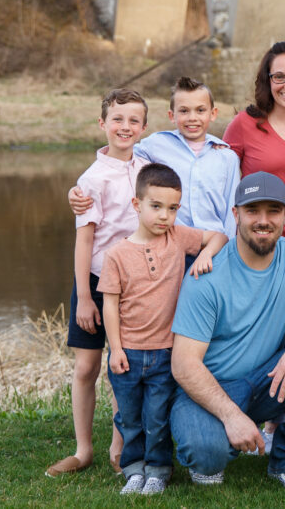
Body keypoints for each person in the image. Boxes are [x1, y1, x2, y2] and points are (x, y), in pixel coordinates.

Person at [169, 171, 285, 497]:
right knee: (208, 457)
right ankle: (211, 437)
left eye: (273, 211)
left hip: (267, 380)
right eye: (252, 211)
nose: (263, 220)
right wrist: (232, 417)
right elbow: (183, 365)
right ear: (235, 214)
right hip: (209, 388)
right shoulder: (207, 275)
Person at [98, 163, 228, 494]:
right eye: (156, 206)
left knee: (156, 417)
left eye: (172, 209)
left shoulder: (178, 238)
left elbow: (219, 236)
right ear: (136, 204)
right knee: (129, 418)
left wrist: (204, 256)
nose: (164, 216)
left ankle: (158, 469)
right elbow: (110, 304)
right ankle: (133, 469)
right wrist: (115, 348)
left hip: (164, 352)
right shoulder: (116, 254)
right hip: (127, 353)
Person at [46, 88, 148, 478]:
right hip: (94, 281)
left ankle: (119, 443)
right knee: (87, 366)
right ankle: (82, 449)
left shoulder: (147, 165)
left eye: (133, 121)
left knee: (123, 364)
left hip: (134, 284)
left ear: (144, 127)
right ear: (102, 124)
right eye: (117, 120)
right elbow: (84, 241)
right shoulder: (90, 180)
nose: (125, 127)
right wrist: (84, 298)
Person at [69, 76, 241, 242]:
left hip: (215, 245)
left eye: (200, 110)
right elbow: (118, 159)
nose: (192, 118)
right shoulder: (156, 144)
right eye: (183, 111)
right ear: (171, 115)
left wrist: (227, 252)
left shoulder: (227, 157)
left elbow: (231, 211)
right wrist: (81, 188)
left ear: (213, 113)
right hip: (171, 245)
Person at [223, 42, 285, 245]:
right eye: (279, 77)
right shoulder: (243, 124)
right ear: (267, 81)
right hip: (256, 243)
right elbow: (221, 186)